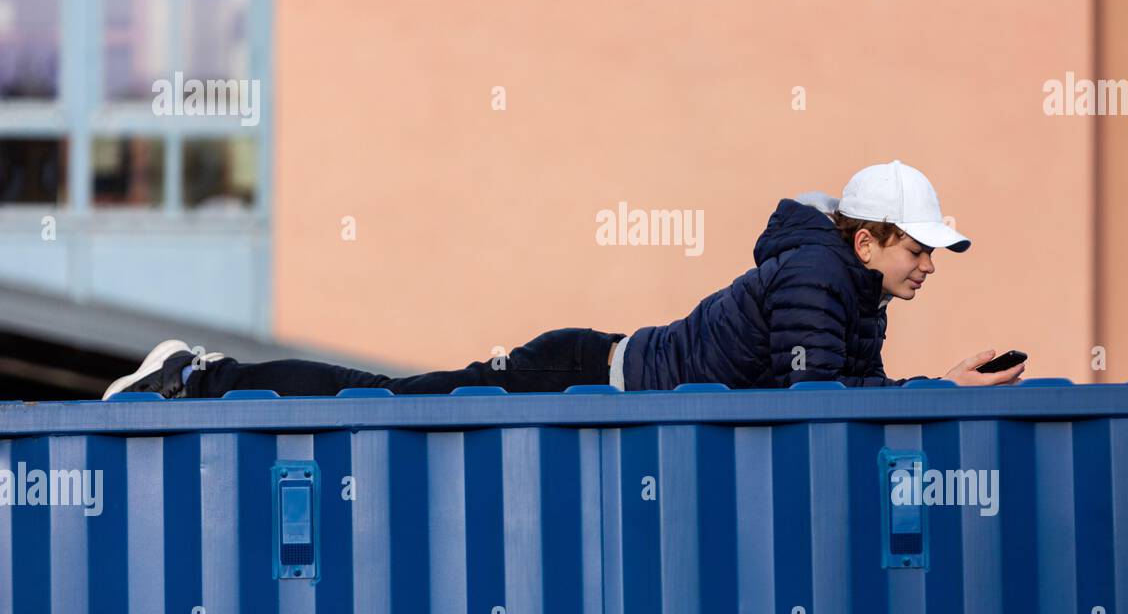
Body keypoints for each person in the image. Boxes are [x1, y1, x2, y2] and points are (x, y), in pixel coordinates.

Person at [103, 159, 1025, 400]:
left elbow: (839, 396)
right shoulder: (819, 276)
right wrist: (933, 390)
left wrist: (938, 387)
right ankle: (201, 373)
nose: (929, 265)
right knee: (387, 399)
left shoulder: (848, 288)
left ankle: (206, 371)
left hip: (595, 364)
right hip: (577, 373)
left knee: (394, 396)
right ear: (867, 239)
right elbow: (819, 407)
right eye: (918, 248)